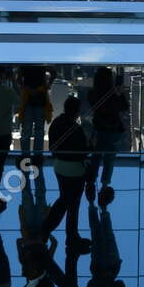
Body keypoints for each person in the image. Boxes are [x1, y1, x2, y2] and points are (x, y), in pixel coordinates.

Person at [42, 95, 90, 244]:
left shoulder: (55, 123)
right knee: (72, 204)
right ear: (77, 112)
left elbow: (52, 149)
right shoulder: (77, 129)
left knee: (64, 198)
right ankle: (70, 235)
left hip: (59, 168)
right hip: (75, 171)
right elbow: (83, 153)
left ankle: (47, 230)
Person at [87, 66, 129, 203]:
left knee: (96, 156)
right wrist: (119, 94)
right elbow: (123, 107)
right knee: (109, 158)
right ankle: (104, 183)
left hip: (99, 128)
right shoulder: (113, 93)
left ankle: (91, 181)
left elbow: (96, 107)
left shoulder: (93, 93)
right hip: (114, 130)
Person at [18, 66, 51, 161]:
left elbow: (19, 78)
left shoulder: (26, 62)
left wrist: (24, 88)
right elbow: (53, 72)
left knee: (27, 131)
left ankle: (25, 155)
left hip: (28, 99)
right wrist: (47, 85)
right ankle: (37, 155)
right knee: (39, 130)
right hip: (39, 99)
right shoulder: (42, 62)